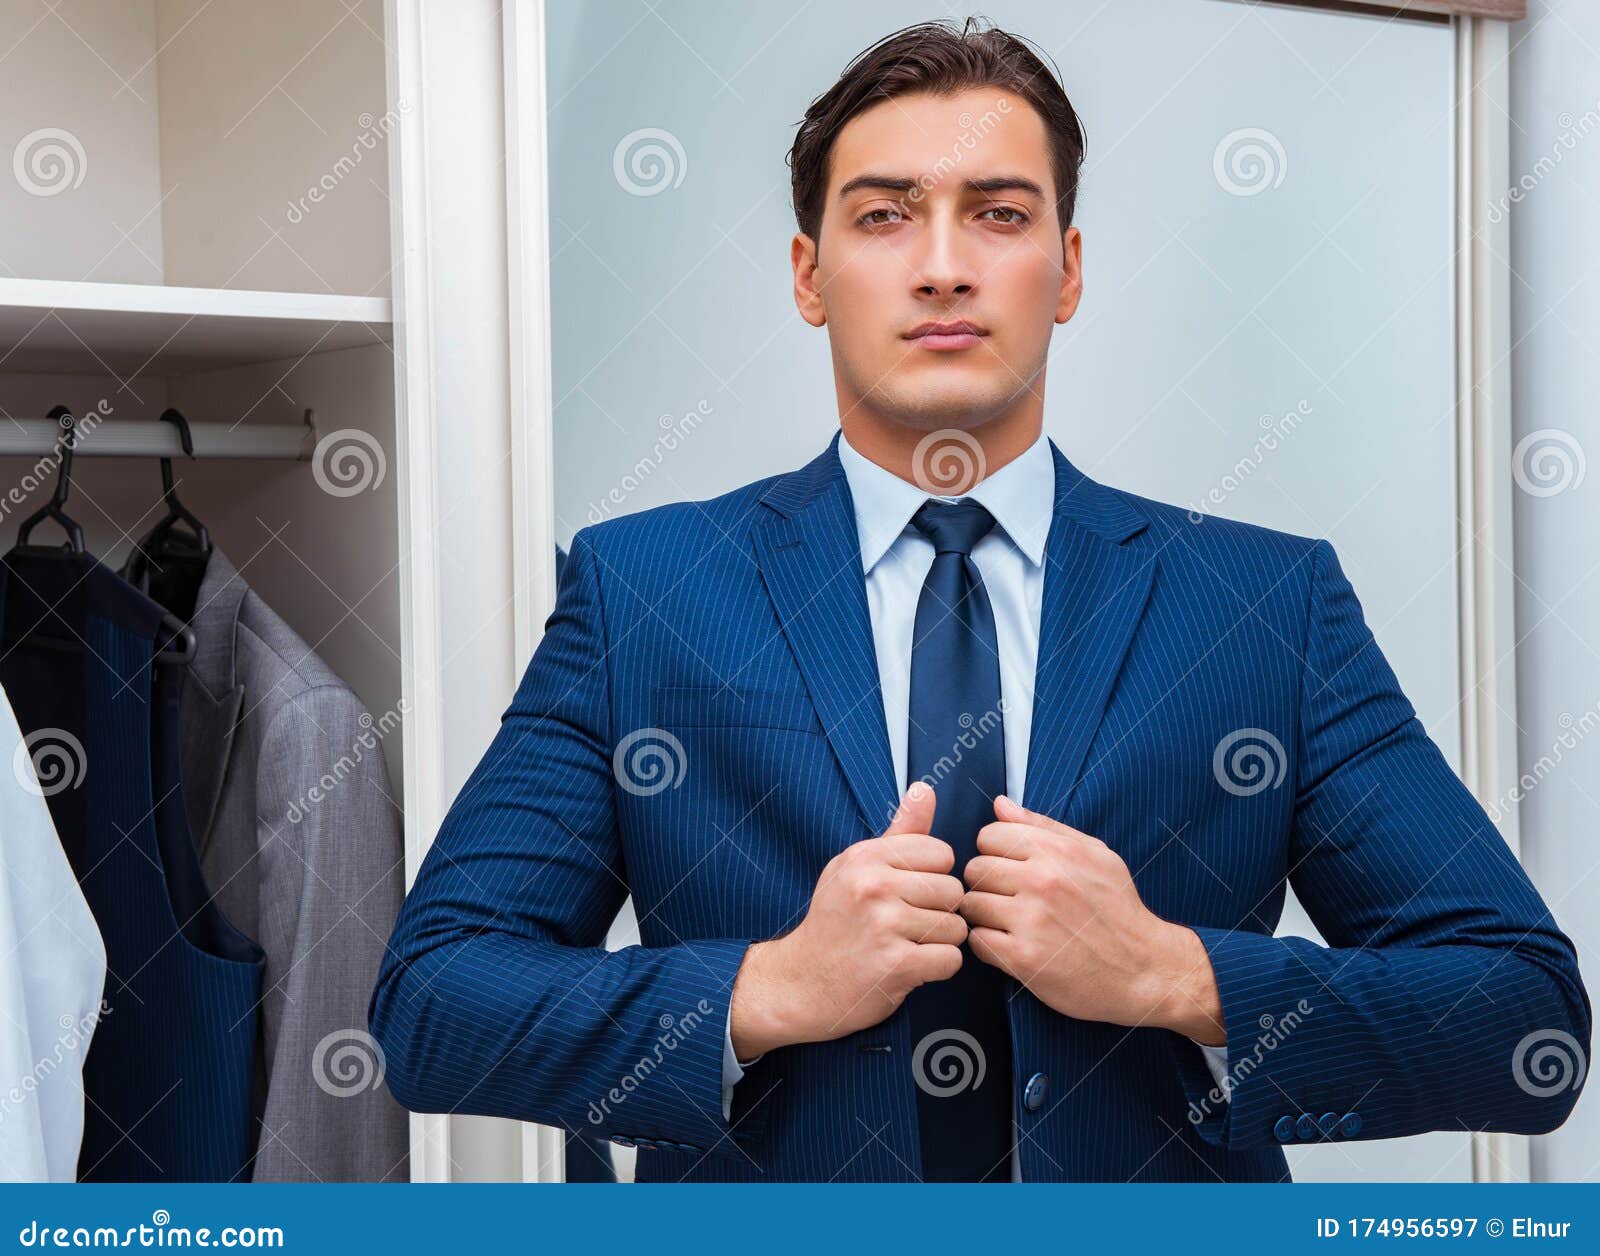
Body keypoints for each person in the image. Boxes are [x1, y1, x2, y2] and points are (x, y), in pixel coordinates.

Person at [369, 18, 1589, 1183]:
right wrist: (768, 988)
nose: (943, 265)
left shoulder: (1264, 606)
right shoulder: (646, 593)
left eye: (998, 216)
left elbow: (1523, 1022)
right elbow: (433, 1003)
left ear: (1065, 270)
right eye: (885, 216)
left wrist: (1173, 973)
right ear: (810, 274)